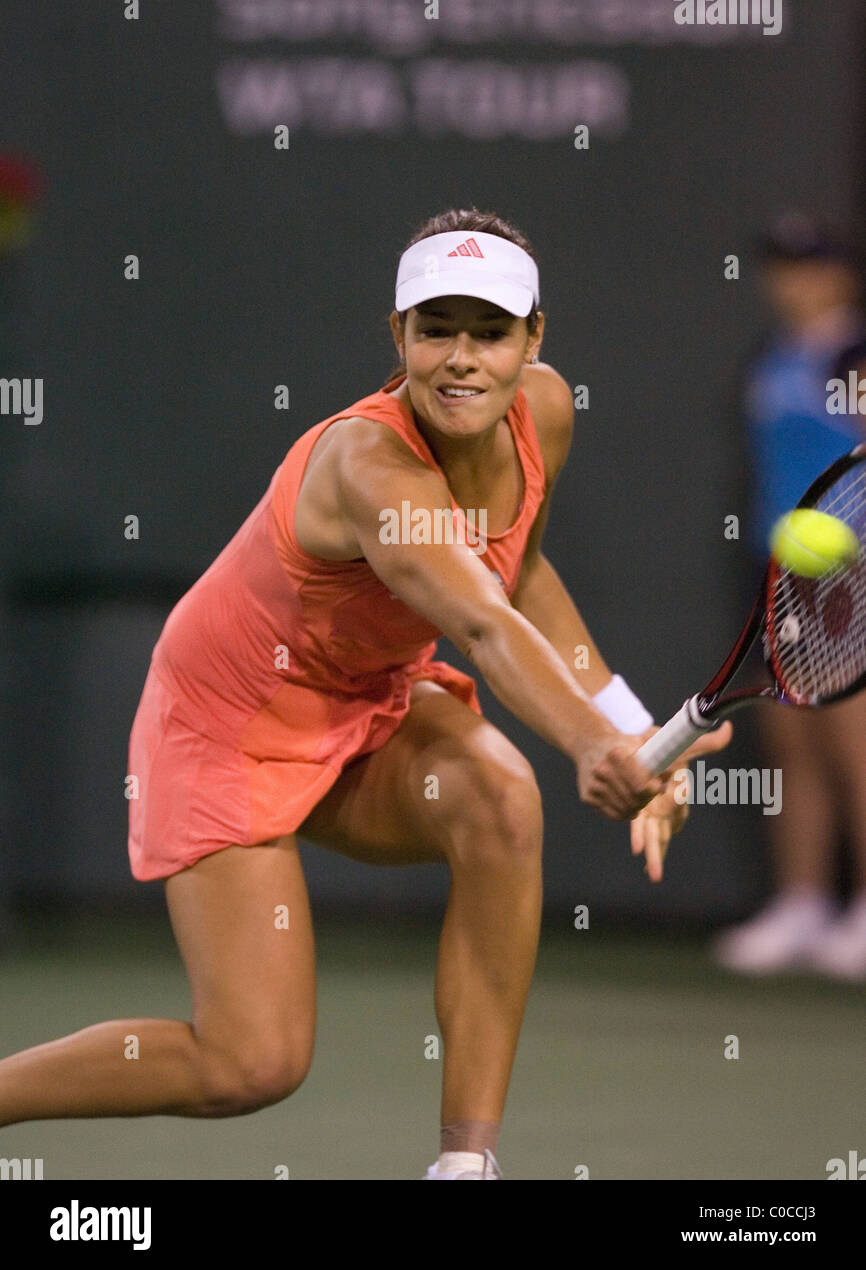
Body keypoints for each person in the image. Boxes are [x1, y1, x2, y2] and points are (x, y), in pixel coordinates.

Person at [0, 207, 730, 1179]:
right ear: (397, 337)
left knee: (498, 798)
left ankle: (463, 1169)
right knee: (249, 1062)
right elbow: (478, 623)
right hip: (228, 727)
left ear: (533, 339)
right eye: (436, 330)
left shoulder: (543, 413)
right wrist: (589, 744)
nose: (461, 359)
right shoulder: (368, 466)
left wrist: (634, 727)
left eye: (489, 331)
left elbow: (517, 574)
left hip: (366, 702)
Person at [713, 209, 866, 980]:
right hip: (778, 572)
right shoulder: (768, 355)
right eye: (779, 266)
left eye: (805, 265)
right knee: (789, 738)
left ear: (840, 274)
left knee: (853, 737)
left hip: (852, 576)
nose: (789, 282)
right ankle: (801, 903)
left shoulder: (855, 353)